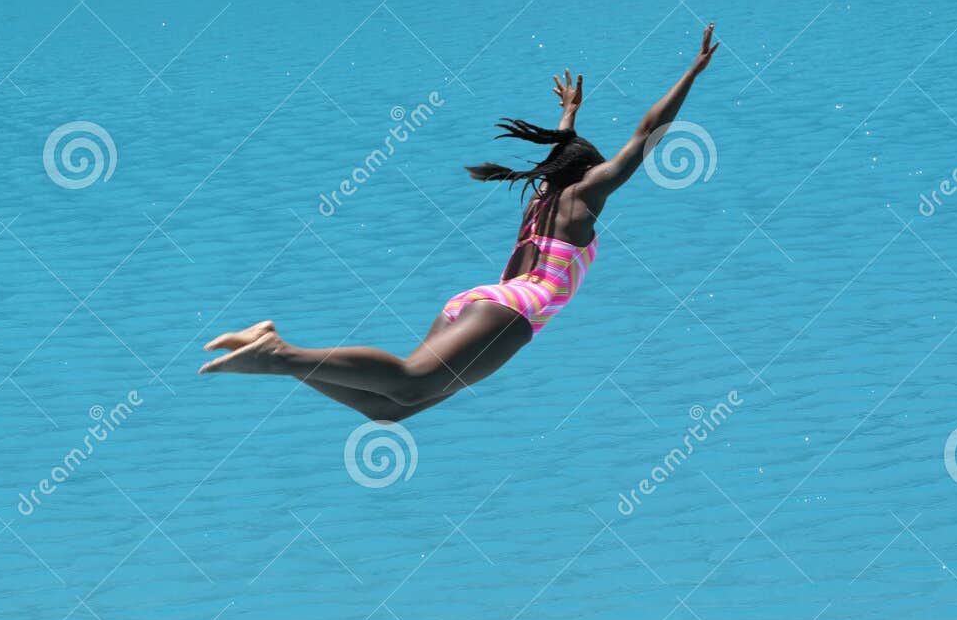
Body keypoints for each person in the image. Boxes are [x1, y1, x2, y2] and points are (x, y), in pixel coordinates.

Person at [199, 23, 721, 421]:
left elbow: (564, 157)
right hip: (517, 310)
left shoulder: (544, 195)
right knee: (407, 382)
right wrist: (690, 75)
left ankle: (278, 351)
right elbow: (648, 132)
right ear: (588, 171)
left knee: (390, 409)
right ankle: (279, 355)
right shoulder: (585, 195)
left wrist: (568, 118)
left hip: (482, 302)